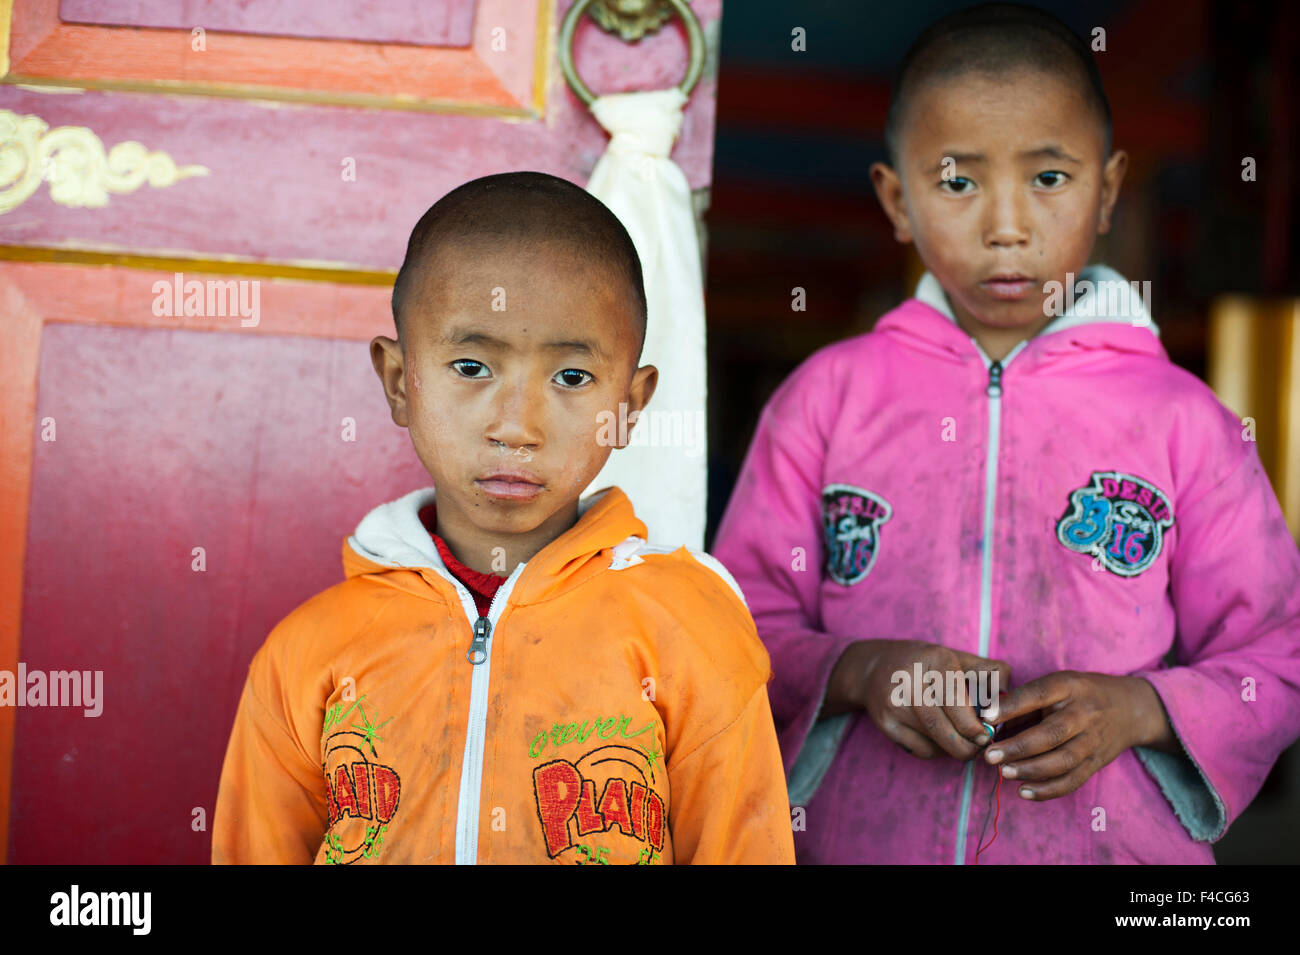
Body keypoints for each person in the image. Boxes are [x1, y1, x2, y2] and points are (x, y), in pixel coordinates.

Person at [711, 3, 1300, 864]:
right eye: (957, 182)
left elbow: (1277, 654)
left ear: (1107, 190)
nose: (1006, 226)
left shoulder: (1184, 420)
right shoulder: (825, 400)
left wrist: (1139, 707)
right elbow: (732, 628)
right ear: (895, 199)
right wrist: (864, 671)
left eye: (1049, 179)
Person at [212, 171, 794, 865]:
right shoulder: (308, 652)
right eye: (470, 366)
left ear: (630, 406)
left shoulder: (691, 627)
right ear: (400, 382)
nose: (517, 426)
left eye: (571, 378)